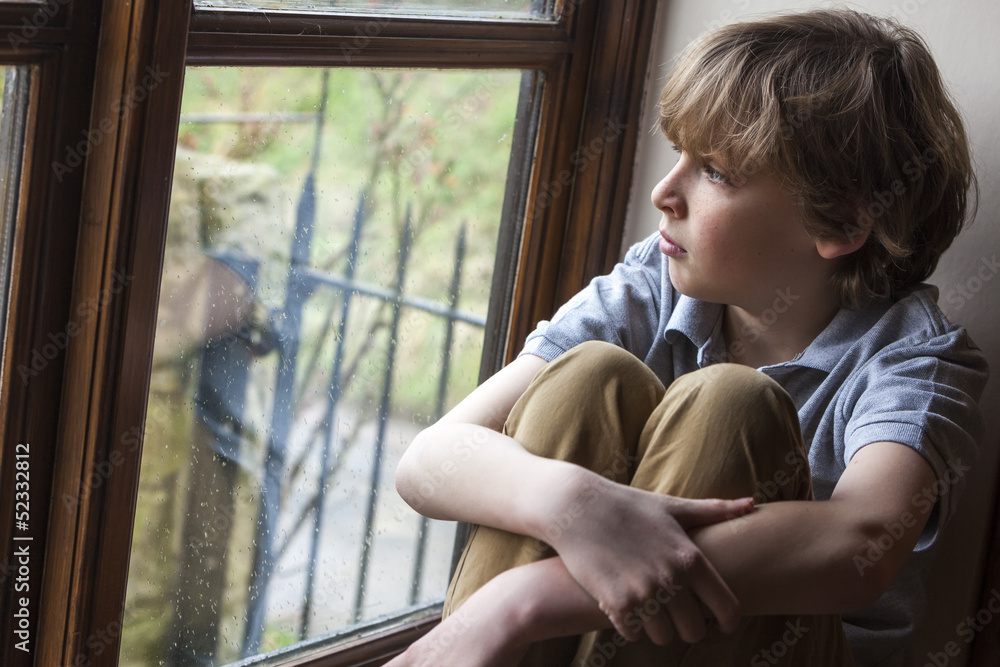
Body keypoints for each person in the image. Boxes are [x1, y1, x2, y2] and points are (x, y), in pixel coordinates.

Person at [388, 8, 989, 667]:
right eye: (678, 154)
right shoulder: (655, 279)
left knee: (731, 404)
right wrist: (574, 505)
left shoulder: (914, 356)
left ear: (841, 220)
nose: (663, 191)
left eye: (717, 171)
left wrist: (523, 597)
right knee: (591, 378)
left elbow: (861, 544)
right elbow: (428, 461)